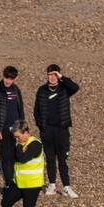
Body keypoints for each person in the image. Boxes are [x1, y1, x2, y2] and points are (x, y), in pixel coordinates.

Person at [34, 64, 79, 198]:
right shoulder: (42, 90)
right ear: (46, 75)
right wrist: (41, 127)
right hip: (47, 130)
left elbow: (75, 87)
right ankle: (52, 185)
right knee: (50, 158)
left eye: (54, 75)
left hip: (62, 129)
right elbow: (36, 110)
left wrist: (62, 77)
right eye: (50, 75)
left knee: (63, 159)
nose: (52, 77)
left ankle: (66, 187)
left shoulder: (64, 88)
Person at [2, 121, 45, 207]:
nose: (17, 139)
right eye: (15, 137)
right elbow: (11, 158)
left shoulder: (35, 144)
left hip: (32, 184)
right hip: (19, 182)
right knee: (5, 203)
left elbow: (22, 158)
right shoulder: (19, 142)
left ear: (26, 132)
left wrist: (19, 146)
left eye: (18, 136)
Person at [0, 65, 24, 189]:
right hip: (1, 129)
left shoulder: (15, 89)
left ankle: (13, 182)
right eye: (6, 77)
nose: (8, 81)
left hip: (15, 129)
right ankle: (8, 185)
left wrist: (22, 128)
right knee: (5, 157)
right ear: (3, 76)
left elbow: (20, 109)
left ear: (14, 79)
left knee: (14, 156)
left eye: (11, 79)